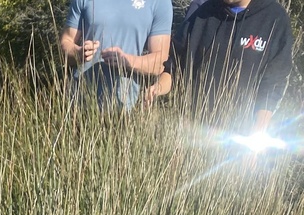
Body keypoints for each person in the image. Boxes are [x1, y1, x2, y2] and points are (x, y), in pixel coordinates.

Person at [145, 0, 294, 130]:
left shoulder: (275, 19)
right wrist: (157, 88)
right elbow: (174, 66)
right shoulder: (202, 13)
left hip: (241, 139)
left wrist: (257, 135)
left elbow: (273, 85)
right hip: (191, 134)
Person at [60, 0, 173, 111]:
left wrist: (126, 61)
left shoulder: (159, 3)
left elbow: (160, 62)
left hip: (125, 105)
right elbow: (66, 42)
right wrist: (79, 53)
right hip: (78, 103)